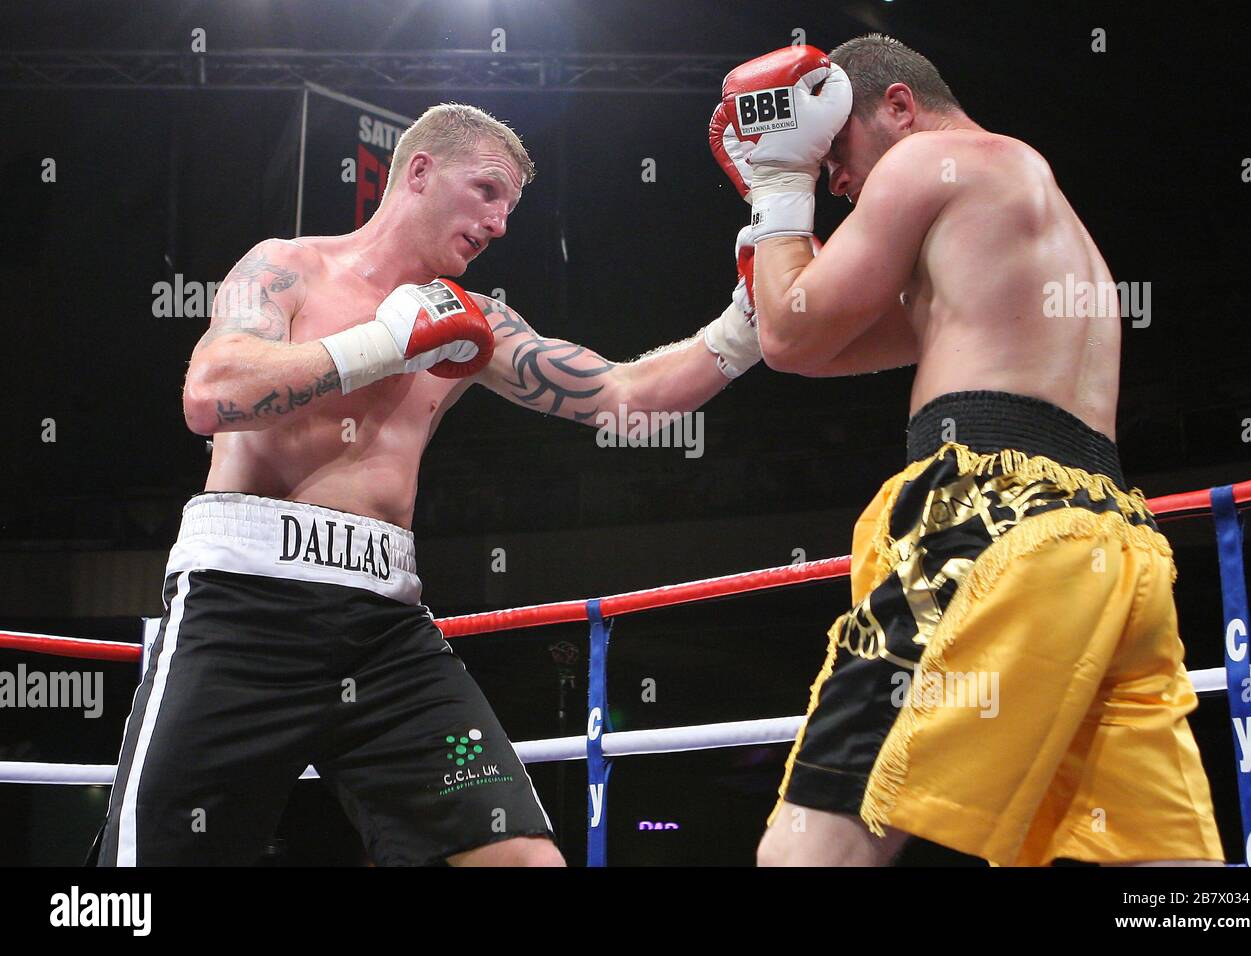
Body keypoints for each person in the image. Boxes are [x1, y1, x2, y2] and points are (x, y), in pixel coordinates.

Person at [94, 102, 759, 866]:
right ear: (418, 173)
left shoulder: (475, 324)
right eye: (486, 191)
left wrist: (743, 328)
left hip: (383, 631)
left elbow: (623, 397)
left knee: (522, 860)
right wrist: (382, 344)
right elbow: (211, 394)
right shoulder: (288, 267)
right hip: (243, 608)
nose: (500, 222)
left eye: (510, 207)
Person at [710, 38, 1224, 866]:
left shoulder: (931, 162)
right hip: (1112, 545)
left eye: (835, 148)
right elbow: (800, 341)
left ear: (899, 107)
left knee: (813, 842)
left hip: (989, 521)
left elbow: (792, 329)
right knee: (1155, 874)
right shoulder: (1026, 220)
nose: (835, 178)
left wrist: (776, 186)